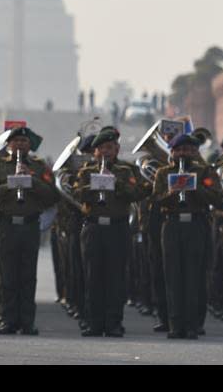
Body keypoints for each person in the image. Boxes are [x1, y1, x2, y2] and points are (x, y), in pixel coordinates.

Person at [0, 126, 59, 335]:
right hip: (7, 225)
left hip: (30, 225)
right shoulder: (0, 166)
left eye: (23, 141)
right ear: (9, 144)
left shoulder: (40, 166)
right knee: (7, 275)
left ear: (29, 145)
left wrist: (31, 181)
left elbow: (52, 196)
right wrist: (11, 184)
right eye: (15, 141)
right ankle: (8, 320)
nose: (19, 145)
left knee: (28, 275)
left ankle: (27, 321)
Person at [151, 133, 223, 339]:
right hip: (172, 225)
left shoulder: (205, 172)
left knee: (195, 276)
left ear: (195, 152)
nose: (183, 154)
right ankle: (175, 324)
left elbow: (217, 198)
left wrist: (194, 187)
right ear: (172, 152)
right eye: (179, 150)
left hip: (196, 224)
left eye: (188, 150)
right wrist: (173, 191)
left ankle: (193, 324)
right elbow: (156, 200)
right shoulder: (163, 173)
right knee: (173, 276)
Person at [72, 127, 144, 336]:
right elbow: (76, 194)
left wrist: (115, 182)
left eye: (109, 148)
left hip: (117, 227)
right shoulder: (86, 171)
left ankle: (114, 323)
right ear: (95, 151)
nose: (105, 152)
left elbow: (138, 193)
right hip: (93, 227)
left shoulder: (127, 170)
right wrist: (95, 185)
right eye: (101, 148)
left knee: (116, 278)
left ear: (117, 149)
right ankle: (94, 323)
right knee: (93, 277)